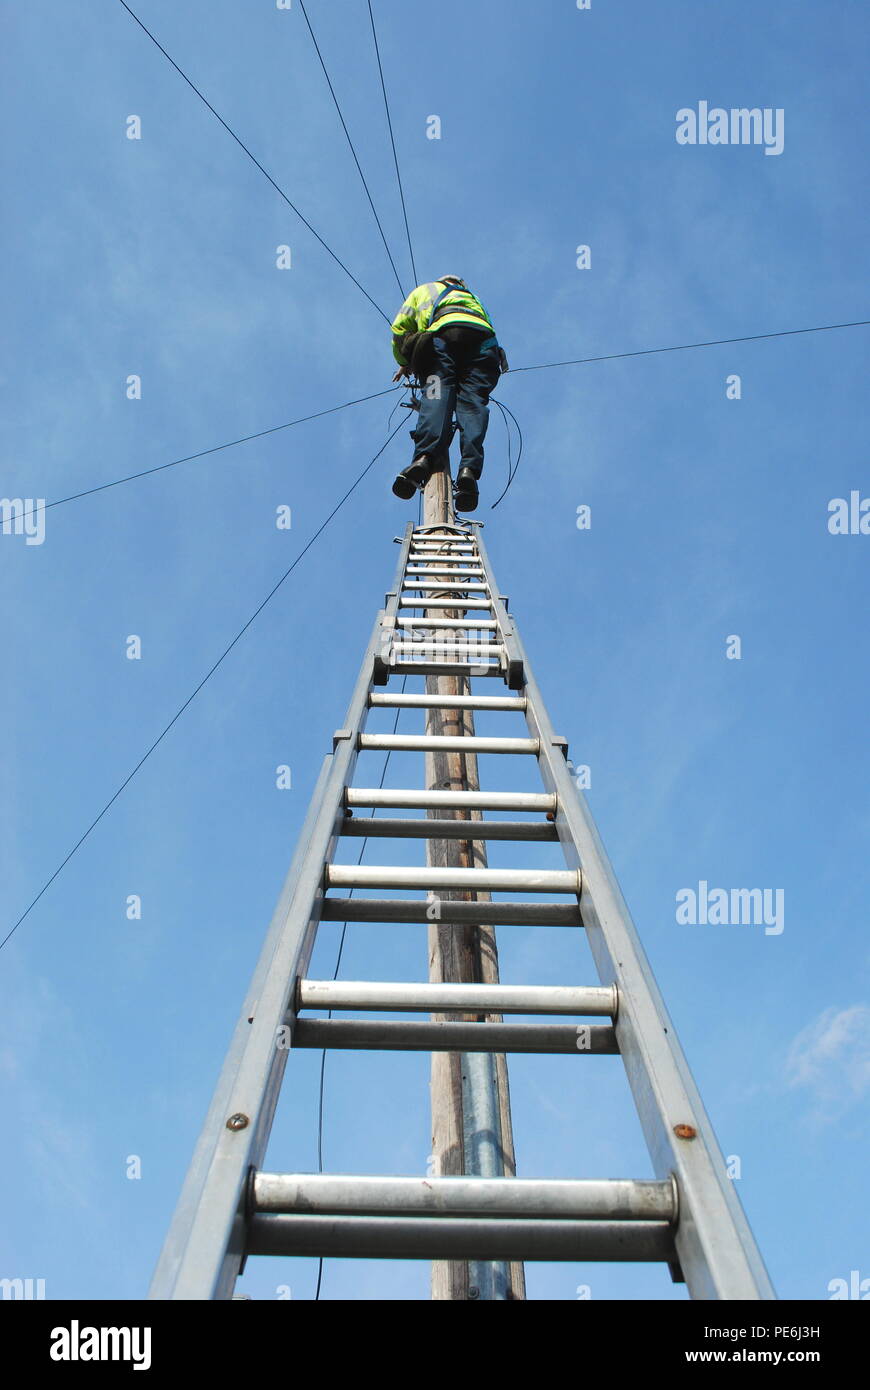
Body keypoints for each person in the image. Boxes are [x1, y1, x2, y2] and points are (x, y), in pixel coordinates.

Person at [389, 276, 506, 512]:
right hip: (484, 348)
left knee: (435, 395)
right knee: (473, 403)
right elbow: (488, 328)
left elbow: (400, 327)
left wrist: (405, 360)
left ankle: (423, 458)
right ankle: (469, 471)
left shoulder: (426, 290)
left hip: (442, 343)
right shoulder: (473, 299)